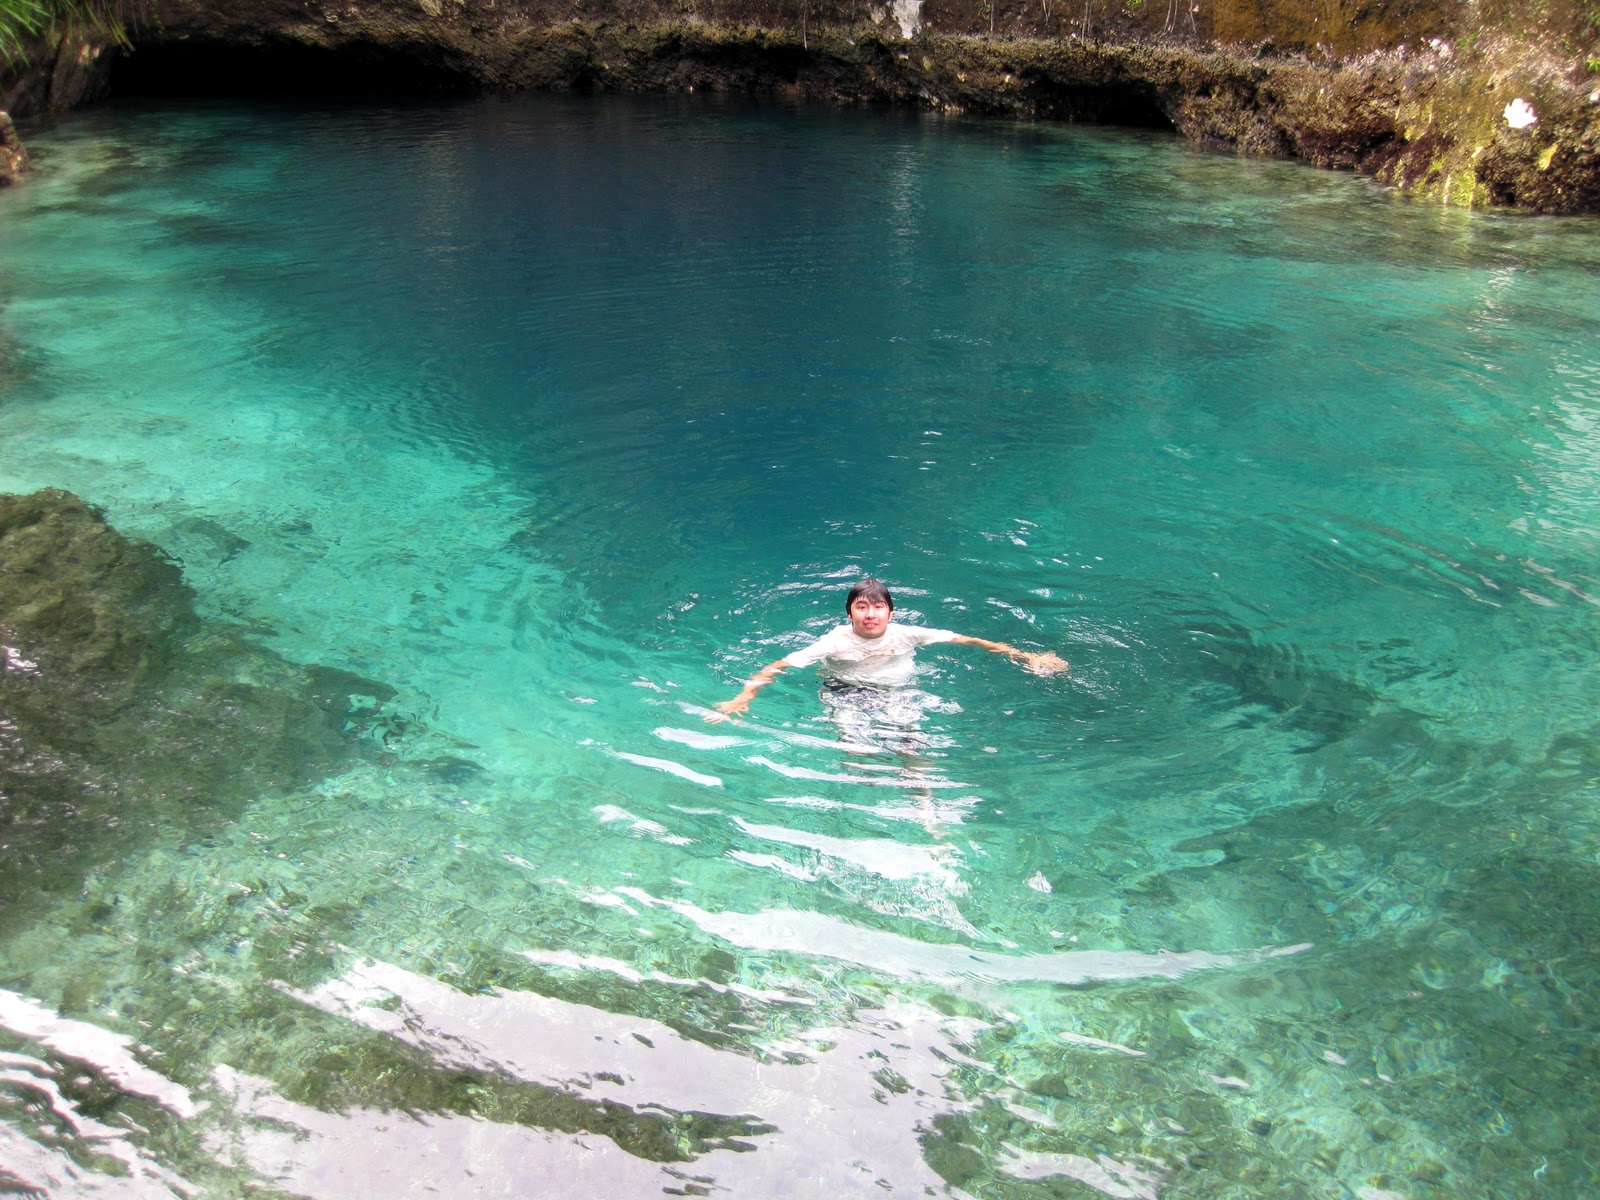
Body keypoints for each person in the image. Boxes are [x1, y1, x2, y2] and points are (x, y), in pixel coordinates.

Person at [709, 577, 1068, 722]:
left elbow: (967, 640)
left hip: (897, 691)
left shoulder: (908, 634)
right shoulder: (833, 641)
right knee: (856, 755)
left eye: (878, 607)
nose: (870, 614)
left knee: (913, 750)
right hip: (844, 691)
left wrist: (1025, 656)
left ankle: (924, 810)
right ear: (849, 612)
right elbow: (777, 666)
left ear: (890, 612)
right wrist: (742, 699)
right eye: (861, 607)